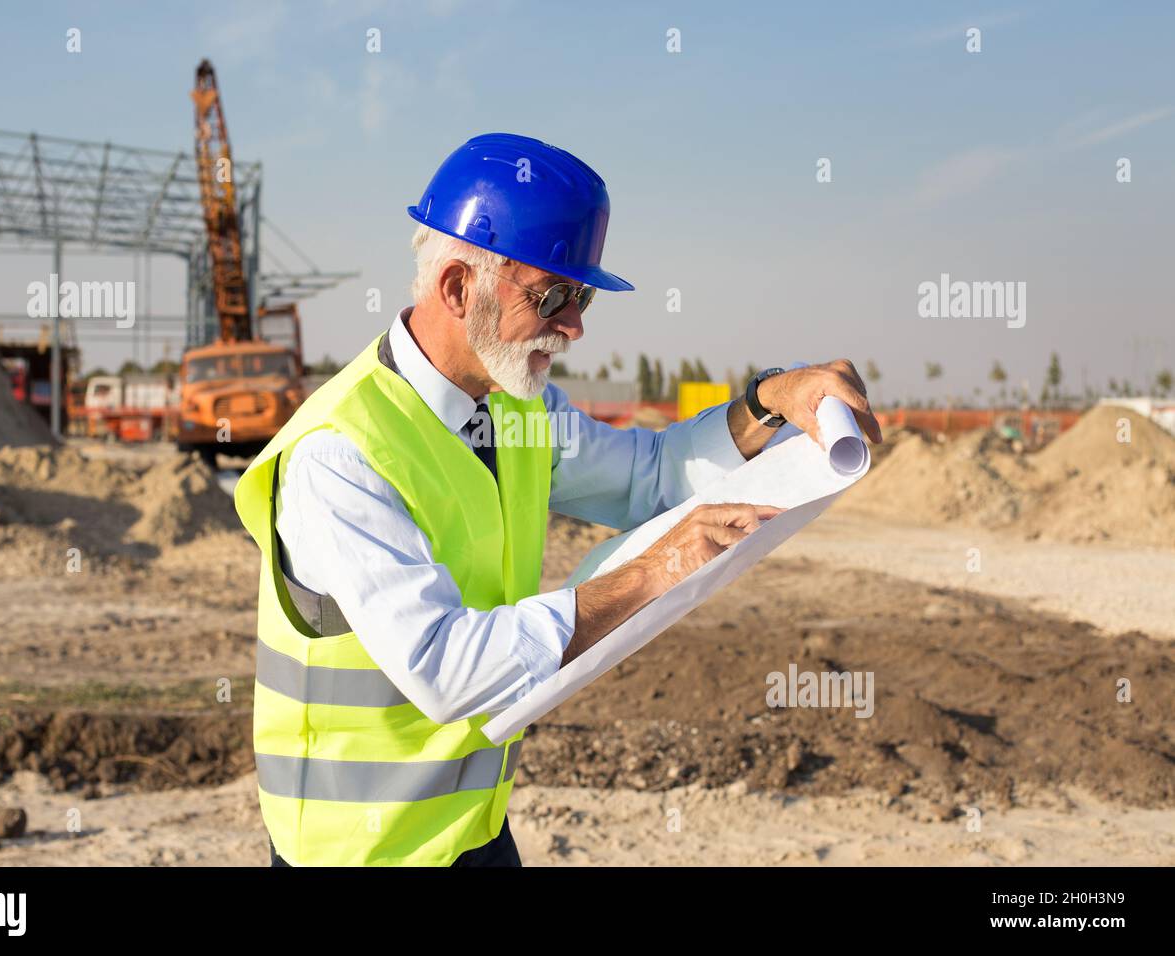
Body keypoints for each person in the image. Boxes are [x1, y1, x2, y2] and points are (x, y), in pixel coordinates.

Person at [233, 133, 881, 866]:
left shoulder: (515, 409)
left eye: (582, 298)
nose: (575, 326)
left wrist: (768, 401)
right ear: (457, 288)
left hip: (473, 832)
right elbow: (447, 670)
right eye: (555, 298)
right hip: (360, 854)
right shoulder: (340, 454)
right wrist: (649, 575)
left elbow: (653, 476)